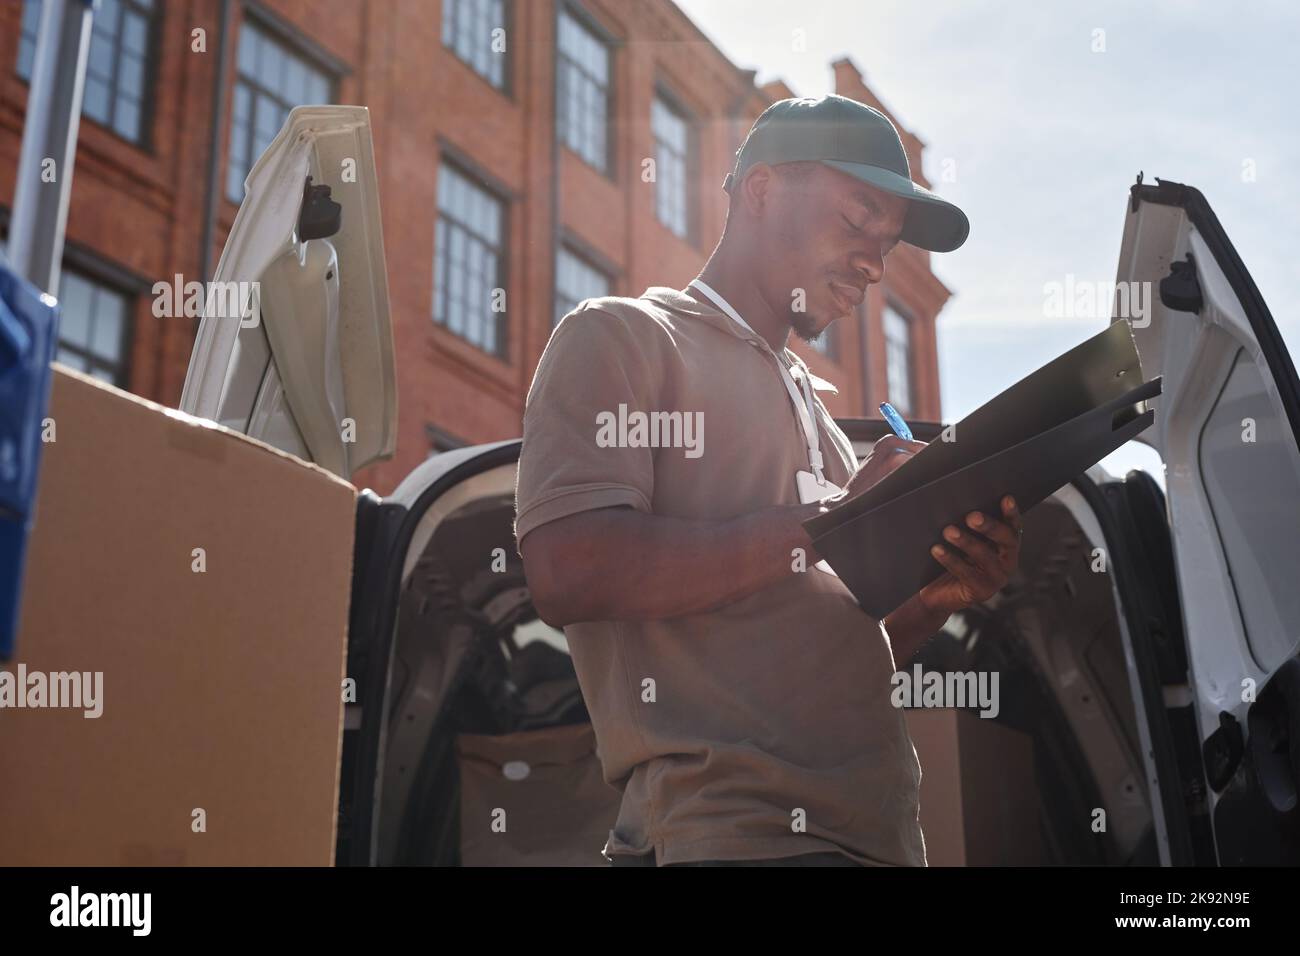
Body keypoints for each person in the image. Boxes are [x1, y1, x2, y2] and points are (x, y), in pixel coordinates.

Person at [514, 94, 1022, 867]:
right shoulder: (621, 338)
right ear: (760, 191)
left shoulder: (819, 414)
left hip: (878, 841)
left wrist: (937, 601)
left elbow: (831, 645)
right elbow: (568, 568)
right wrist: (833, 522)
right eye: (858, 222)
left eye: (887, 244)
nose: (874, 264)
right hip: (729, 834)